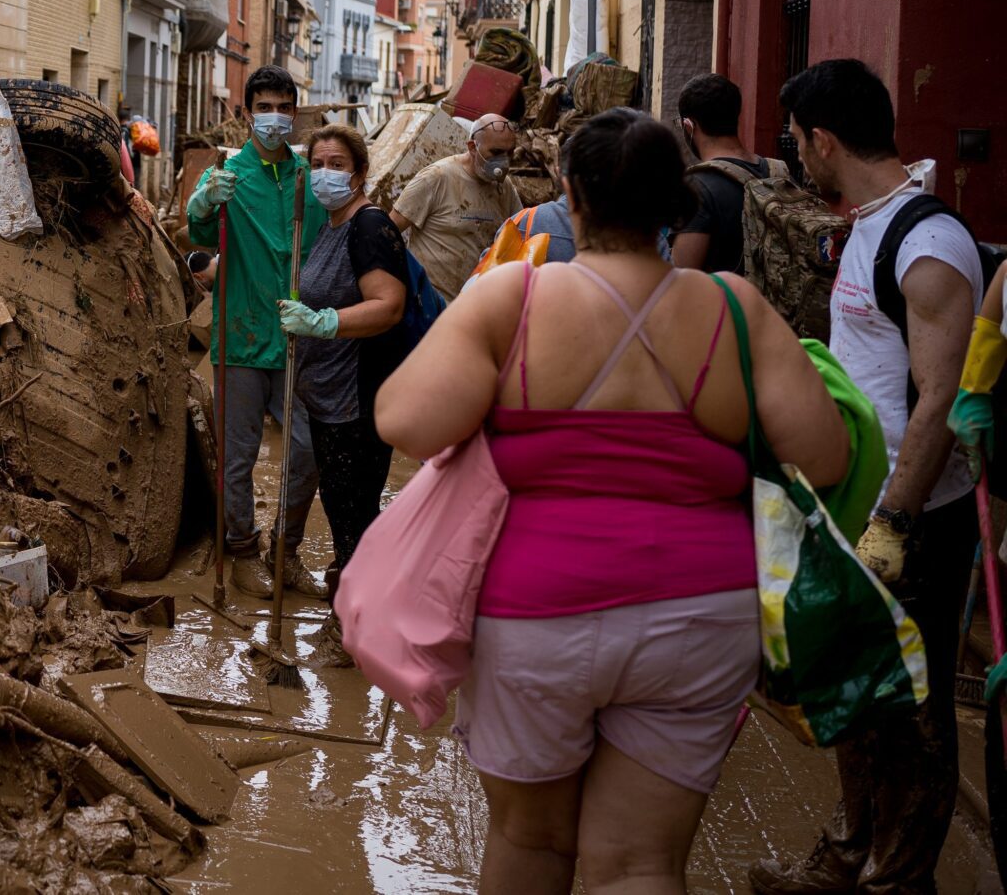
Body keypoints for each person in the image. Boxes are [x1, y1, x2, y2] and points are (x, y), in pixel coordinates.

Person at [377, 108, 847, 895]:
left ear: (571, 194)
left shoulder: (513, 298)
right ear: (677, 201)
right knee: (640, 865)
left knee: (530, 841)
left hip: (535, 615)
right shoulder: (734, 308)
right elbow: (824, 458)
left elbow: (406, 420)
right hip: (701, 617)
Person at [754, 59, 985, 895]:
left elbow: (938, 401)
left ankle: (897, 879)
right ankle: (849, 852)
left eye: (797, 143)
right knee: (854, 685)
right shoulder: (872, 223)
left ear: (823, 140)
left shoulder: (930, 242)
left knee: (914, 711)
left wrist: (894, 522)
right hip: (854, 505)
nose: (796, 161)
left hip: (913, 516)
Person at [185, 65, 324, 598]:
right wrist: (203, 204)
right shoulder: (226, 176)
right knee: (238, 457)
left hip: (299, 338)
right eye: (263, 107)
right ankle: (241, 550)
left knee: (309, 451)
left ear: (295, 112)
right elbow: (196, 236)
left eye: (283, 108)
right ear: (246, 113)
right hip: (241, 339)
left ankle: (284, 551)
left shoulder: (309, 180)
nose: (274, 117)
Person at [276, 123, 411, 600]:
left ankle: (357, 623)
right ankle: (353, 605)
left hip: (357, 400)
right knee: (340, 509)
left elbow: (388, 304)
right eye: (316, 165)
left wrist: (323, 323)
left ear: (360, 174)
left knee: (353, 511)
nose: (324, 175)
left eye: (337, 166)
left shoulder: (369, 226)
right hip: (327, 398)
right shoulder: (330, 226)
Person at [391, 113, 523, 302]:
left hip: (475, 307)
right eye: (496, 152)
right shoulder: (436, 178)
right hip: (430, 307)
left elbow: (519, 235)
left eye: (509, 153)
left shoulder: (504, 187)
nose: (504, 161)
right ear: (472, 147)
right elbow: (388, 233)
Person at [671, 74, 775, 274]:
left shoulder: (696, 189)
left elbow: (682, 279)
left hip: (726, 304)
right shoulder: (778, 172)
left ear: (689, 126)